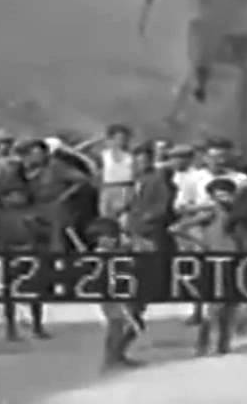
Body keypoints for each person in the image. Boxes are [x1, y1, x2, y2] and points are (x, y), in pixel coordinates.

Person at [170, 177, 242, 356]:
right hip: (214, 259)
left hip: (237, 260)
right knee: (214, 306)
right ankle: (204, 344)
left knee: (231, 305)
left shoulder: (240, 213)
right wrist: (201, 243)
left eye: (227, 194)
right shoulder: (211, 213)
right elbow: (176, 228)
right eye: (220, 195)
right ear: (213, 197)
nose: (225, 198)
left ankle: (223, 344)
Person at [0, 182, 50, 341]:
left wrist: (36, 228)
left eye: (19, 194)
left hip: (31, 253)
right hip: (9, 254)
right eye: (11, 195)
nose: (16, 198)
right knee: (9, 293)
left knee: (36, 292)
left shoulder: (35, 213)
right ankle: (11, 328)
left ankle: (37, 325)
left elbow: (47, 233)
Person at [86, 217, 145, 372]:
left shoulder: (122, 249)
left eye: (113, 236)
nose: (111, 240)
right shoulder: (100, 254)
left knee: (133, 324)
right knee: (116, 324)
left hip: (125, 291)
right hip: (110, 293)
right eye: (106, 237)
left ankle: (117, 355)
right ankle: (112, 358)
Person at [97, 124, 136, 220]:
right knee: (107, 220)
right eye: (118, 138)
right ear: (112, 139)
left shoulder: (131, 156)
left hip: (126, 189)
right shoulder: (104, 155)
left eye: (124, 138)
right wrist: (97, 140)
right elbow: (77, 152)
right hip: (108, 190)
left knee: (124, 220)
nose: (121, 140)